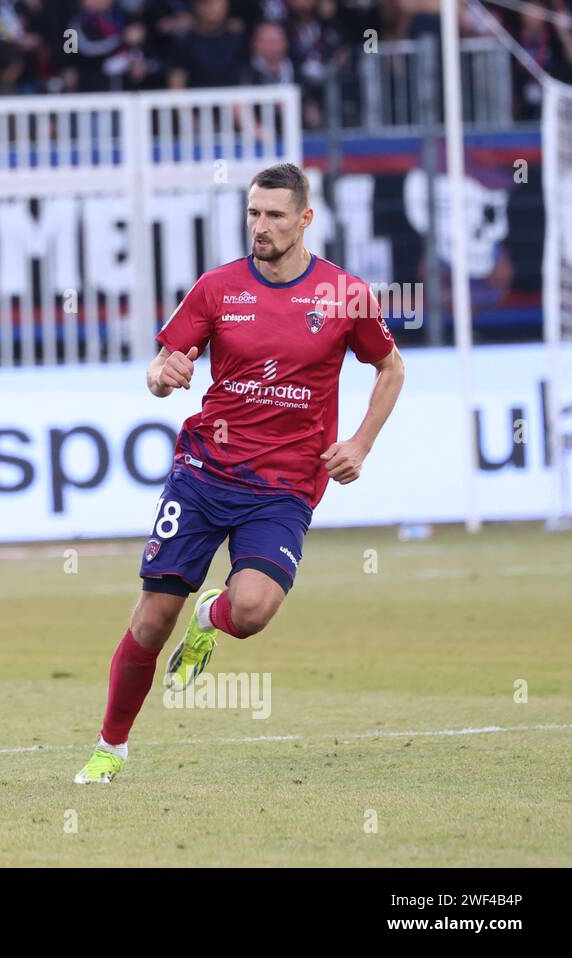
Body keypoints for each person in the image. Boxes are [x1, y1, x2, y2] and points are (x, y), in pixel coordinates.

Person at [74, 162, 405, 784]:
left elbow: (390, 369)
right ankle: (110, 746)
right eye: (254, 213)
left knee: (250, 612)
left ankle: (208, 620)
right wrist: (160, 376)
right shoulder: (217, 288)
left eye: (276, 215)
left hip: (284, 485)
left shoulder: (345, 295)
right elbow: (163, 364)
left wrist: (360, 442)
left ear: (306, 219)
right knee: (150, 618)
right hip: (204, 473)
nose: (261, 225)